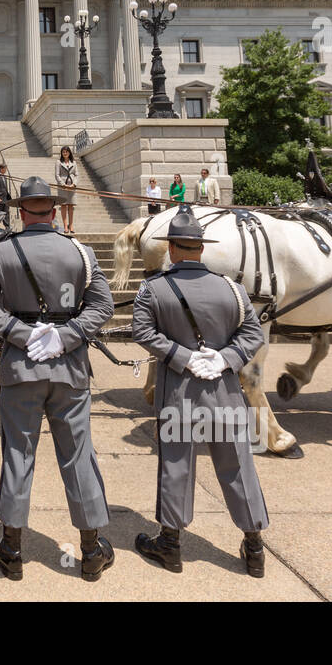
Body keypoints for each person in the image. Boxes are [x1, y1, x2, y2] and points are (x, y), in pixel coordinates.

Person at [0, 176, 116, 581]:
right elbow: (102, 305)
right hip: (70, 367)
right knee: (77, 454)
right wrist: (64, 336)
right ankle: (90, 549)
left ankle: (12, 548)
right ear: (53, 212)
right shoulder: (80, 251)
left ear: (21, 211)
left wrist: (24, 334)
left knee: (19, 452)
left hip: (21, 365)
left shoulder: (2, 252)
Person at [130, 208, 270, 578]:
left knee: (176, 466)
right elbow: (253, 335)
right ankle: (254, 548)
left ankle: (170, 545)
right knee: (238, 465)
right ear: (199, 249)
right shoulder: (232, 289)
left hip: (179, 392)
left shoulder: (153, 289)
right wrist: (225, 359)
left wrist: (182, 356)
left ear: (173, 249)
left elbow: (143, 333)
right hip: (224, 391)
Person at [55, 146, 78, 234]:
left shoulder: (74, 163)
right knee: (64, 205)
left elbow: (76, 175)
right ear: (61, 153)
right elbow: (57, 175)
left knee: (71, 205)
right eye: (63, 152)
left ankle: (71, 225)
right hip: (63, 187)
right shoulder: (58, 162)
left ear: (69, 153)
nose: (65, 153)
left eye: (66, 152)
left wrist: (74, 184)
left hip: (72, 187)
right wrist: (63, 184)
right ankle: (65, 226)